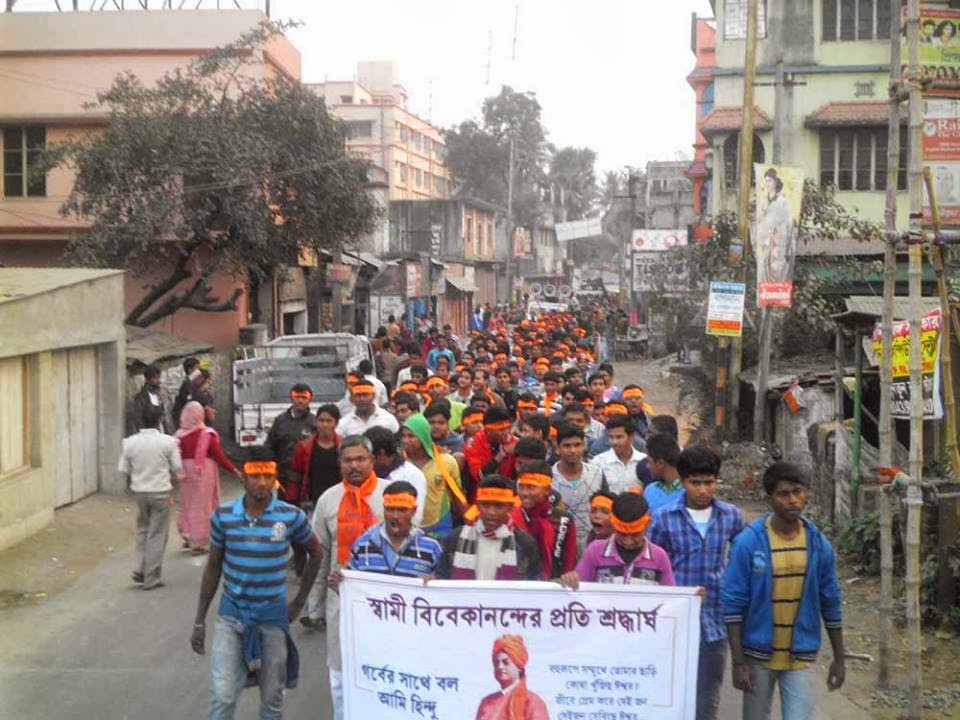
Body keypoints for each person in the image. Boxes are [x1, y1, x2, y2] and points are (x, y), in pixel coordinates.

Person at [190, 447, 323, 720]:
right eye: (254, 476)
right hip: (231, 616)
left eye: (268, 475)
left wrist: (299, 603)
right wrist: (200, 620)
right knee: (223, 696)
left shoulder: (291, 516)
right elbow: (213, 567)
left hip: (272, 617)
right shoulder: (223, 516)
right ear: (243, 478)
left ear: (275, 477)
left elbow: (316, 553)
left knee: (272, 698)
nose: (261, 483)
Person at [721, 462, 845, 720]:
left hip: (799, 656)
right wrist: (738, 662)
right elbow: (732, 604)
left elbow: (830, 599)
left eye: (798, 492)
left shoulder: (818, 544)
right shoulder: (749, 543)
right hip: (757, 656)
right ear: (770, 498)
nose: (793, 501)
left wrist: (839, 658)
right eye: (784, 494)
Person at [649, 445, 744, 720]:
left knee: (708, 692)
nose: (703, 490)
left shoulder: (731, 516)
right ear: (683, 480)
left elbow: (739, 560)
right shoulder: (664, 517)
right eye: (695, 483)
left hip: (715, 616)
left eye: (709, 483)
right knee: (673, 688)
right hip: (675, 620)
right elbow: (652, 567)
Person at [311, 436, 388, 720]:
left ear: (372, 460)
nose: (354, 465)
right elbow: (318, 557)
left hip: (386, 603)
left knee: (384, 668)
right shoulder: (328, 499)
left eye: (360, 459)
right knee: (340, 671)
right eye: (348, 460)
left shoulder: (390, 495)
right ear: (339, 463)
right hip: (340, 600)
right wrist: (314, 605)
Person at [119, 404, 183, 590]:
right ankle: (151, 576)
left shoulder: (129, 442)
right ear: (160, 421)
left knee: (143, 530)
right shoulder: (168, 442)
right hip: (160, 492)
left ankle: (139, 568)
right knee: (157, 534)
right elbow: (177, 467)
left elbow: (123, 469)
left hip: (139, 492)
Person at [331, 480, 442, 585]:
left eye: (402, 510)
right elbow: (353, 591)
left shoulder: (431, 547)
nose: (395, 516)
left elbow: (445, 589)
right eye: (390, 509)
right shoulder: (362, 544)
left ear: (413, 511)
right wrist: (341, 586)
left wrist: (436, 582)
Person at [560, 492, 675, 588]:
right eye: (622, 534)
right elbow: (579, 590)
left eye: (635, 535)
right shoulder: (595, 551)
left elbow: (671, 600)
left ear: (647, 525)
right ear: (613, 523)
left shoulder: (659, 557)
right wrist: (571, 581)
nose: (628, 541)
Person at [437, 475, 541, 581]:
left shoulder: (525, 543)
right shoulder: (455, 538)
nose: (491, 512)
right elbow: (441, 576)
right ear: (477, 506)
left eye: (499, 506)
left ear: (510, 507)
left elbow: (535, 585)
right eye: (486, 505)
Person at [176, 401, 241, 555]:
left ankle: (188, 535)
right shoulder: (206, 434)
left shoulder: (179, 435)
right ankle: (198, 543)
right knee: (202, 506)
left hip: (185, 474)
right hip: (203, 474)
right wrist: (234, 470)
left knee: (187, 505)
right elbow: (219, 456)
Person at [402, 413, 466, 539]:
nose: (406, 440)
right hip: (407, 527)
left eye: (411, 436)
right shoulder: (400, 463)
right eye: (403, 436)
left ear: (423, 436)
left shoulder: (447, 462)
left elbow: (457, 496)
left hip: (439, 525)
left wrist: (469, 522)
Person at [512, 460, 577, 580]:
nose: (524, 493)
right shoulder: (510, 518)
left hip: (552, 589)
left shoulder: (564, 520)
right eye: (521, 487)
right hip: (518, 587)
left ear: (547, 490)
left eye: (531, 487)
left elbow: (569, 565)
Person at [551, 423, 605, 548]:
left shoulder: (597, 473)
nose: (573, 450)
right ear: (557, 448)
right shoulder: (548, 477)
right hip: (558, 544)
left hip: (593, 543)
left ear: (584, 446)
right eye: (567, 446)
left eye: (577, 445)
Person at [475, 635, 550, 720]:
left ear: (519, 666)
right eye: (496, 663)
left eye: (506, 662)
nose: (500, 667)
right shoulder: (486, 703)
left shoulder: (533, 702)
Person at [365, 426, 427, 527]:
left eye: (369, 457)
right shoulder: (367, 474)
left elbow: (416, 517)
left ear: (381, 453)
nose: (367, 461)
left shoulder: (412, 475)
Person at [265, 384, 316, 500]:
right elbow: (270, 446)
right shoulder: (280, 421)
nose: (300, 401)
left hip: (307, 479)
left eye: (304, 398)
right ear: (291, 398)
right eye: (297, 397)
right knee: (284, 511)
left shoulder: (314, 422)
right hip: (284, 478)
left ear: (310, 400)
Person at [289, 404, 341, 508]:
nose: (325, 425)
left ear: (336, 423)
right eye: (321, 420)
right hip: (311, 502)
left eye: (329, 421)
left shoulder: (343, 446)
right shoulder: (303, 447)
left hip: (339, 500)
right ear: (316, 422)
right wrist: (292, 502)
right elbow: (295, 477)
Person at [464, 406, 519, 489]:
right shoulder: (473, 443)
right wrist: (502, 454)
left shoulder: (514, 442)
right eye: (501, 430)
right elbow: (480, 476)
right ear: (488, 430)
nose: (506, 433)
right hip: (482, 491)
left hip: (509, 490)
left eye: (508, 428)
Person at [592, 415, 645, 491]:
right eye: (611, 437)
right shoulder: (598, 462)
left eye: (619, 437)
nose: (614, 442)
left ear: (631, 437)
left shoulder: (644, 461)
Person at [642, 433, 683, 511]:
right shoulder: (650, 490)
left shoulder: (689, 491)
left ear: (660, 463)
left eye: (648, 462)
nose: (647, 466)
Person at [130, 364, 173, 434]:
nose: (159, 381)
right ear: (148, 380)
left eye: (159, 378)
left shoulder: (160, 394)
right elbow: (138, 420)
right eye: (156, 378)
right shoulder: (141, 398)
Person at [172, 356, 201, 428]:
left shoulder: (193, 384)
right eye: (196, 368)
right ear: (190, 370)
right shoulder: (186, 385)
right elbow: (188, 404)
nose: (199, 371)